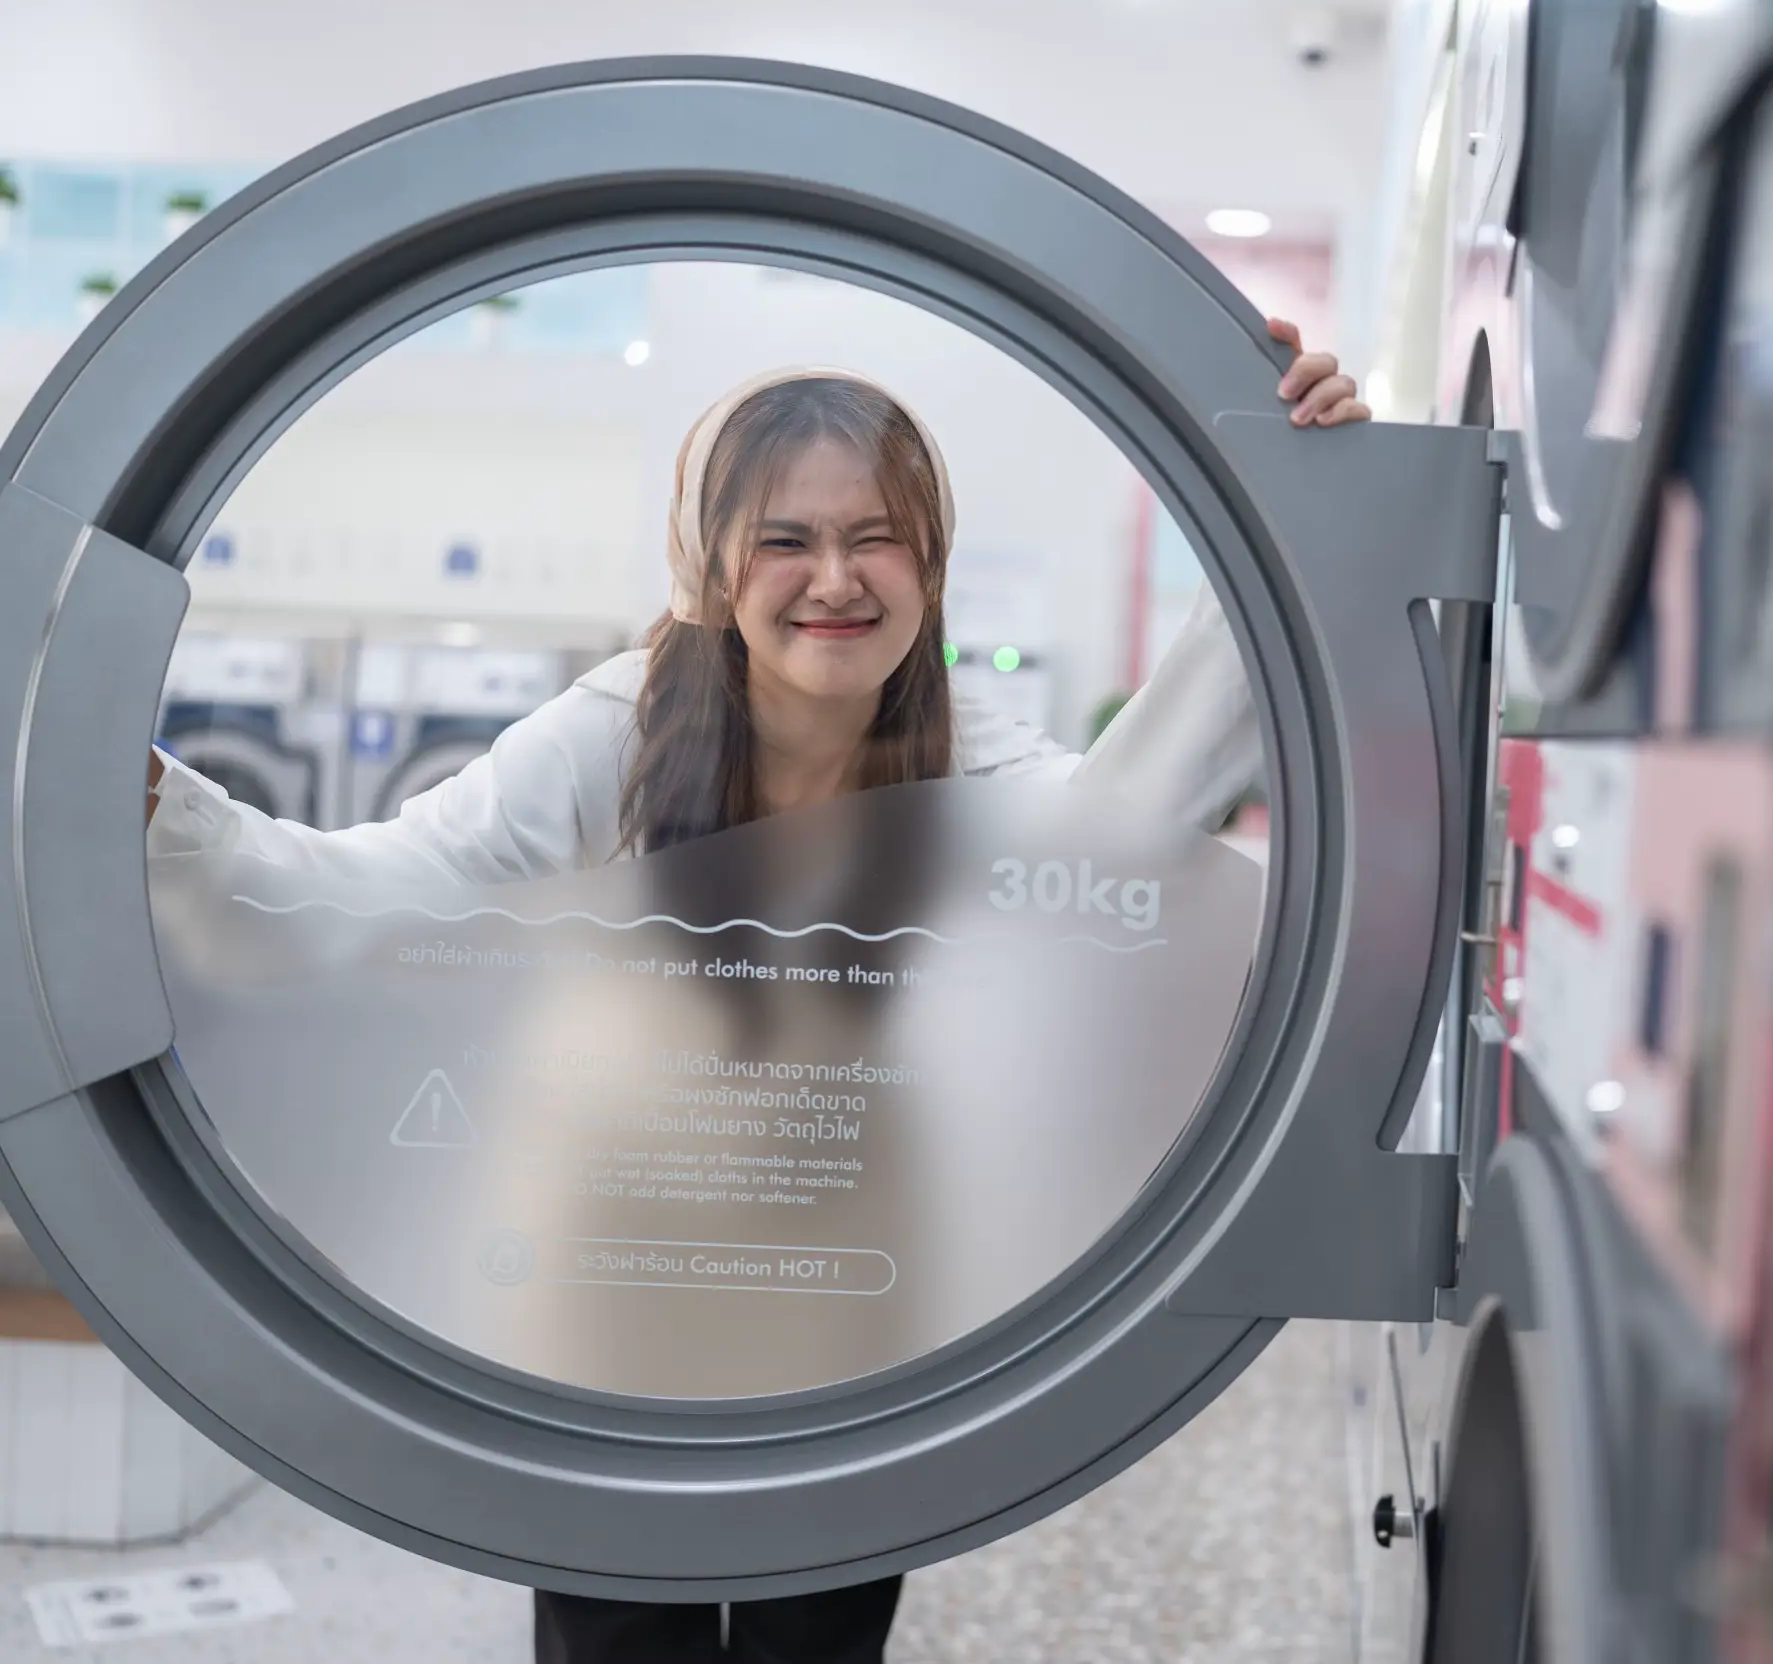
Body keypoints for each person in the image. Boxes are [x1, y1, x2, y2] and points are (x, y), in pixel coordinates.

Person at [143, 317, 1367, 1662]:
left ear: (933, 563)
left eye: (877, 535)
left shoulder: (966, 755)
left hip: (856, 1281)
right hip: (612, 1270)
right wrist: (167, 814)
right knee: (617, 1639)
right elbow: (383, 893)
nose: (834, 578)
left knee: (818, 1636)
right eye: (786, 539)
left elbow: (1125, 831)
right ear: (712, 566)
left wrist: (1280, 500)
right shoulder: (616, 730)